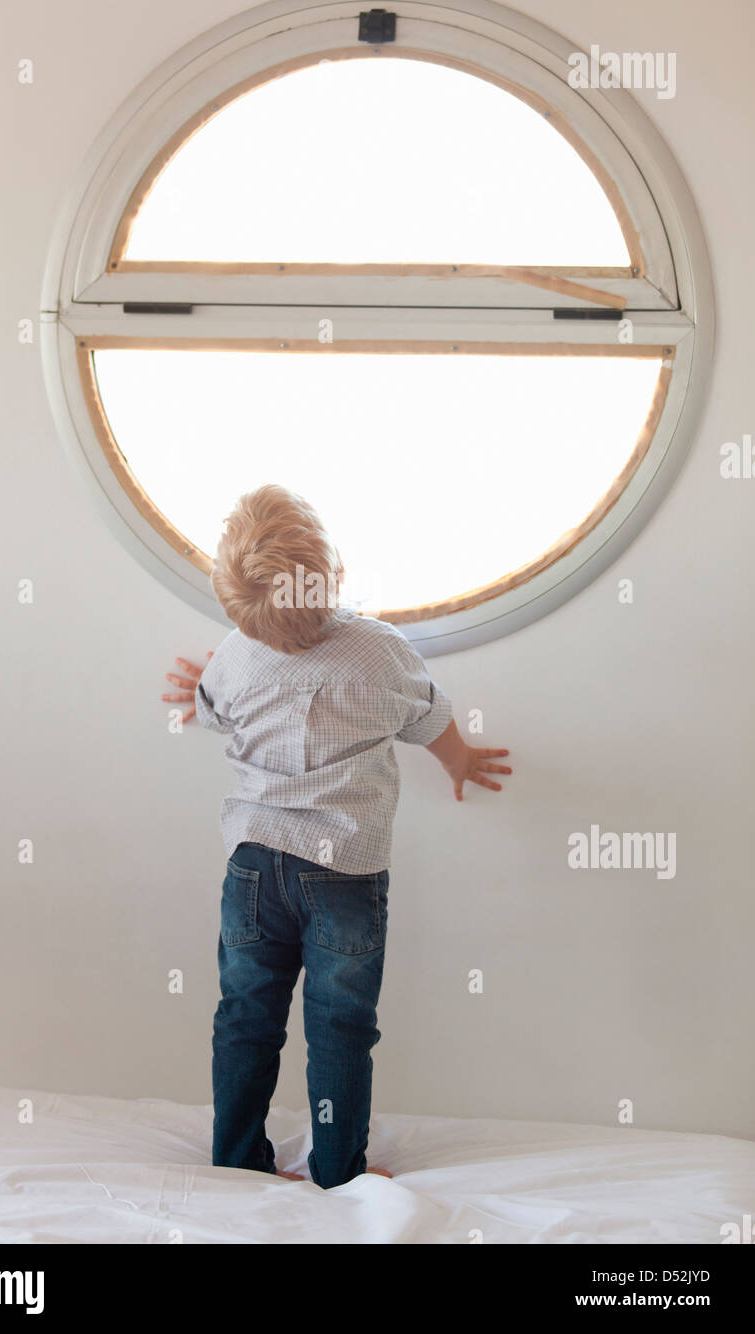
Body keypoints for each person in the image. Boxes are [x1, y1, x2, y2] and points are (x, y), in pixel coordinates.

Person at [162, 484, 512, 1188]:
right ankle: (338, 1170)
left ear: (237, 606)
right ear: (333, 574)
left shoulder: (235, 654)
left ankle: (234, 1160)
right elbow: (427, 718)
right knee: (341, 1027)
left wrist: (204, 687)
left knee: (245, 1017)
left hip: (253, 869)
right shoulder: (378, 652)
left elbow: (217, 707)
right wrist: (462, 760)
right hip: (342, 875)